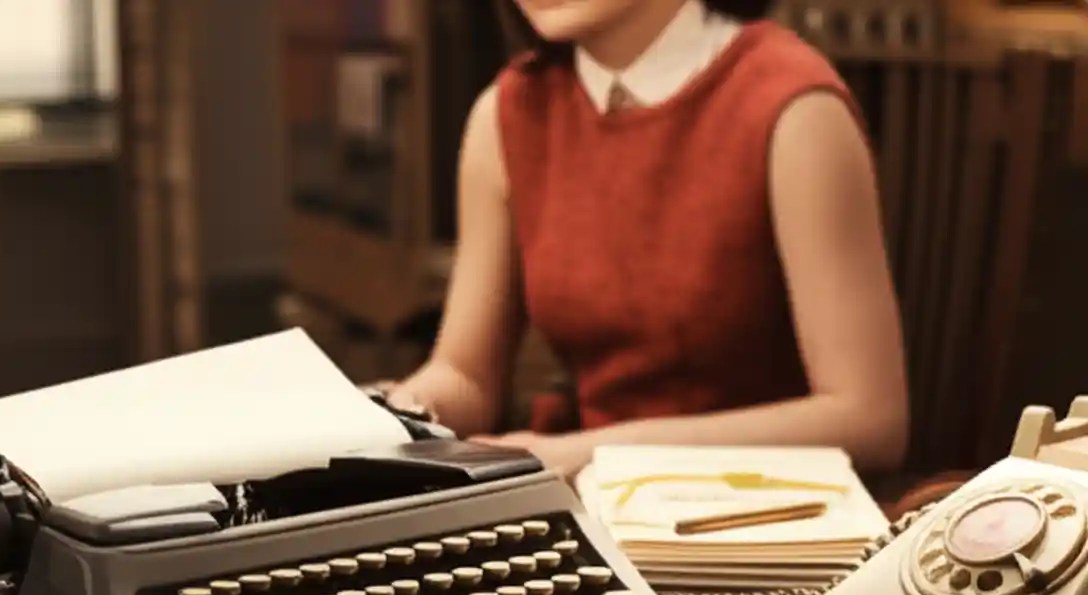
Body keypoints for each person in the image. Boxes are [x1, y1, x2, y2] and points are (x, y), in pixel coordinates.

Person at [385, 0, 909, 478]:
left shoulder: (792, 104)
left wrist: (597, 453)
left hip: (761, 519)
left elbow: (868, 418)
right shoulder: (507, 112)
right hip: (586, 498)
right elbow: (466, 375)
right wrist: (393, 409)